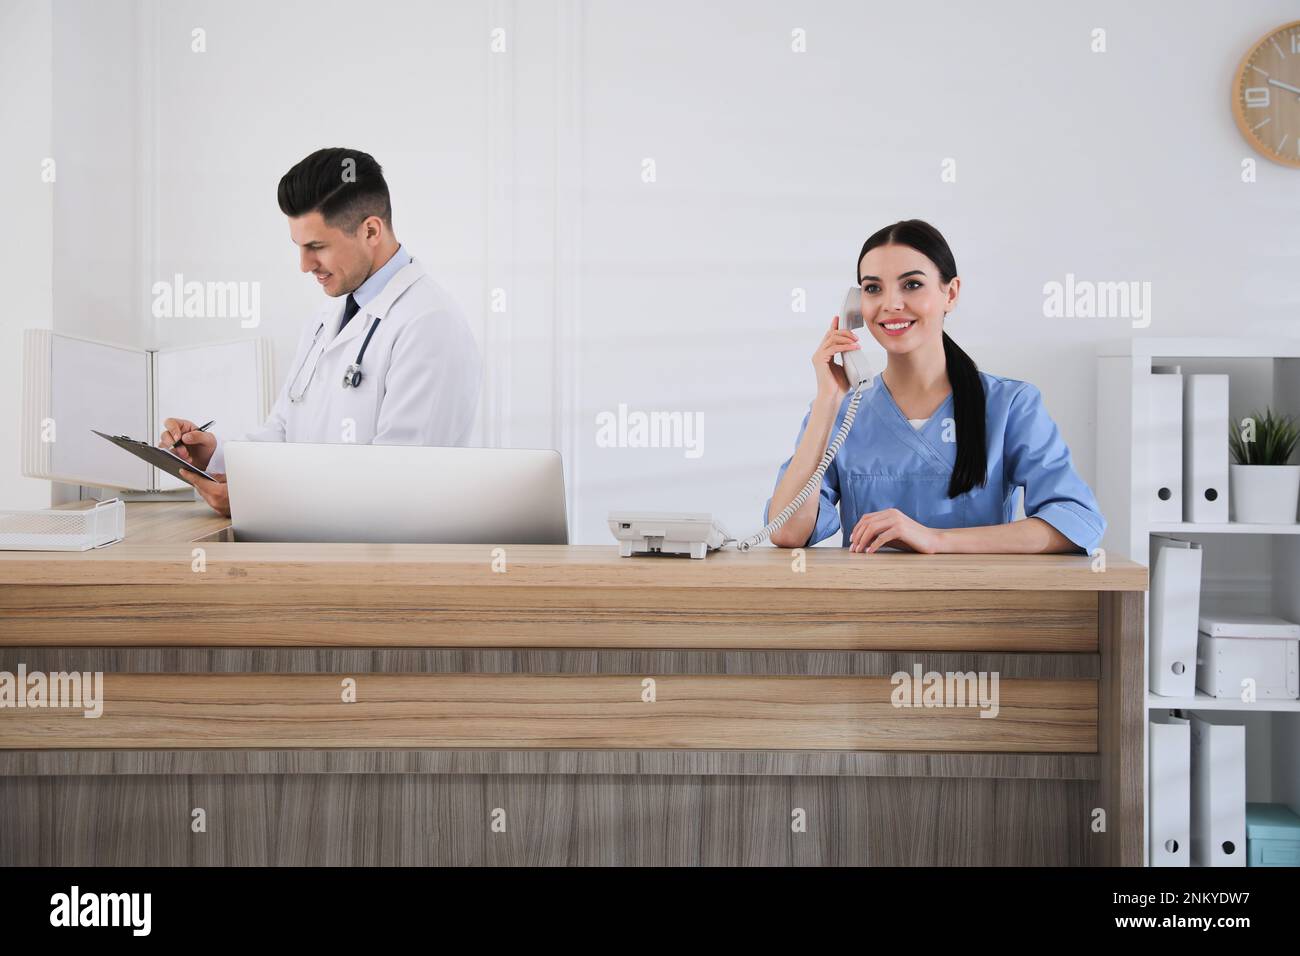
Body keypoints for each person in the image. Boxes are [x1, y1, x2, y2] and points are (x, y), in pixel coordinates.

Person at [159, 147, 481, 516]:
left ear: (370, 230)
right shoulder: (329, 314)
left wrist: (264, 500)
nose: (304, 265)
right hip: (318, 551)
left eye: (317, 247)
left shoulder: (428, 324)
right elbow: (285, 431)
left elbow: (400, 482)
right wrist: (216, 454)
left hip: (387, 561)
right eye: (299, 247)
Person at [764, 219, 1105, 554]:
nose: (891, 304)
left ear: (950, 293)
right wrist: (828, 401)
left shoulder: (1010, 405)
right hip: (867, 608)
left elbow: (1076, 522)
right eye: (872, 288)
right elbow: (787, 531)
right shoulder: (841, 412)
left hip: (974, 606)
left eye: (911, 284)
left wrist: (935, 540)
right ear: (856, 306)